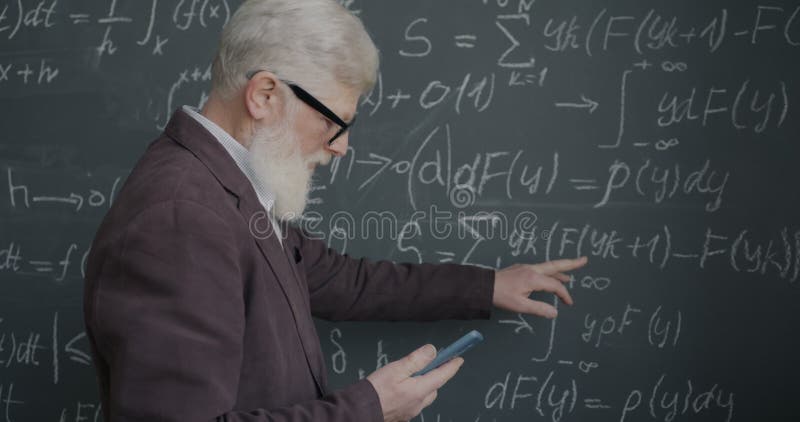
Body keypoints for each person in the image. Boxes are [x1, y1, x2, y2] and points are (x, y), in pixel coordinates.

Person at [82, 0, 588, 421]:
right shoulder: (182, 216)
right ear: (263, 95)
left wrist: (489, 286)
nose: (342, 147)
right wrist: (368, 408)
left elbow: (343, 280)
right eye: (335, 123)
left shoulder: (229, 183)